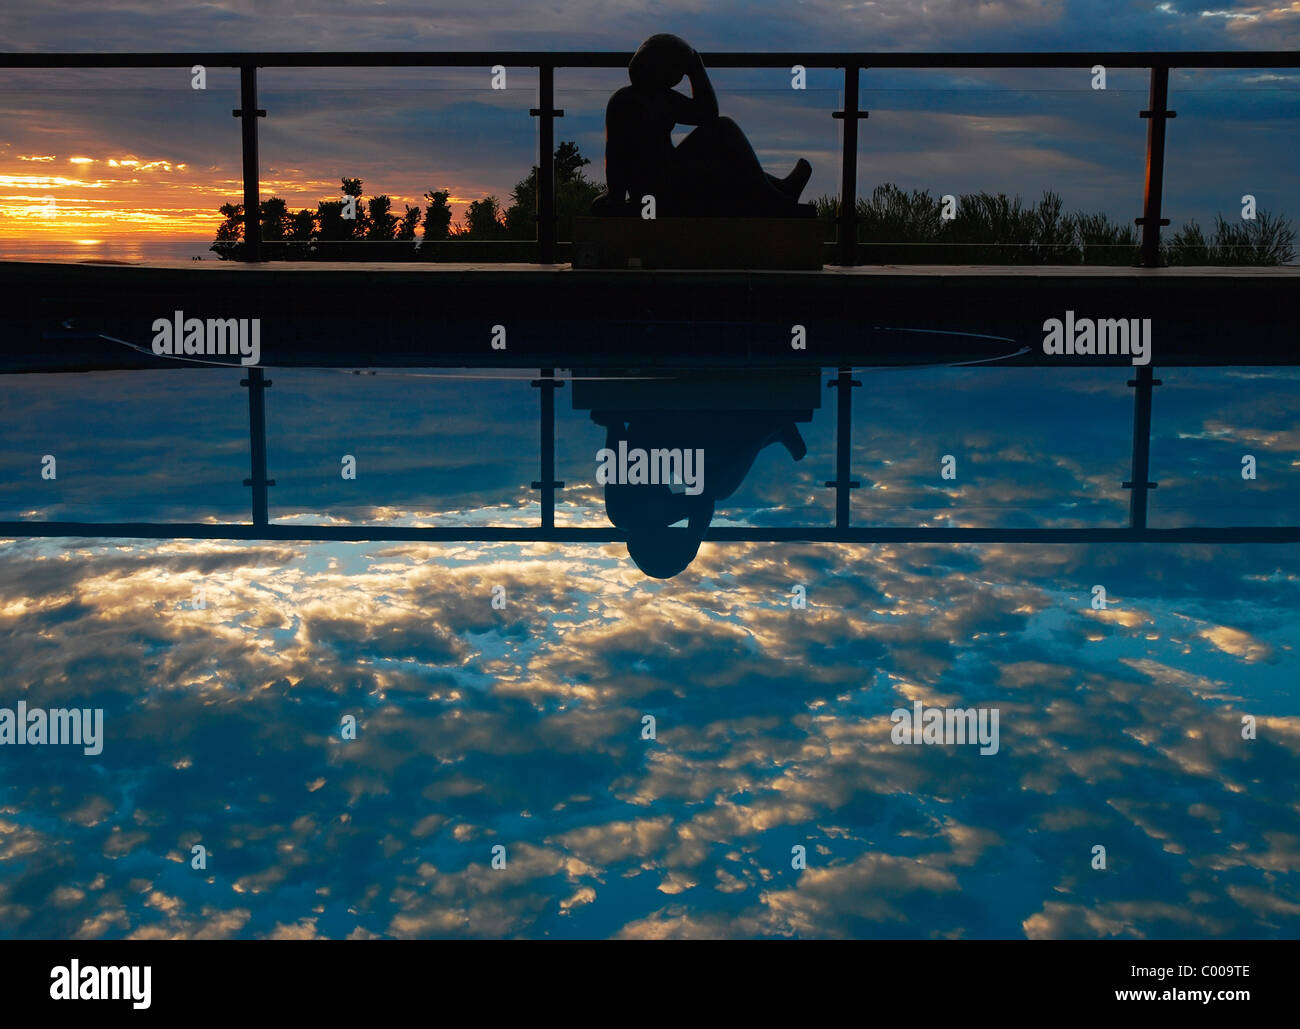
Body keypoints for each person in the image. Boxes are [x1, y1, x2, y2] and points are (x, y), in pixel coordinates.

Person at [591, 33, 812, 218]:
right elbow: (616, 152)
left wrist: (695, 67)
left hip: (666, 179)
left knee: (724, 149)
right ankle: (774, 197)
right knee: (723, 129)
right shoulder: (627, 101)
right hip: (660, 187)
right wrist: (616, 194)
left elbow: (705, 113)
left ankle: (776, 190)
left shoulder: (659, 97)